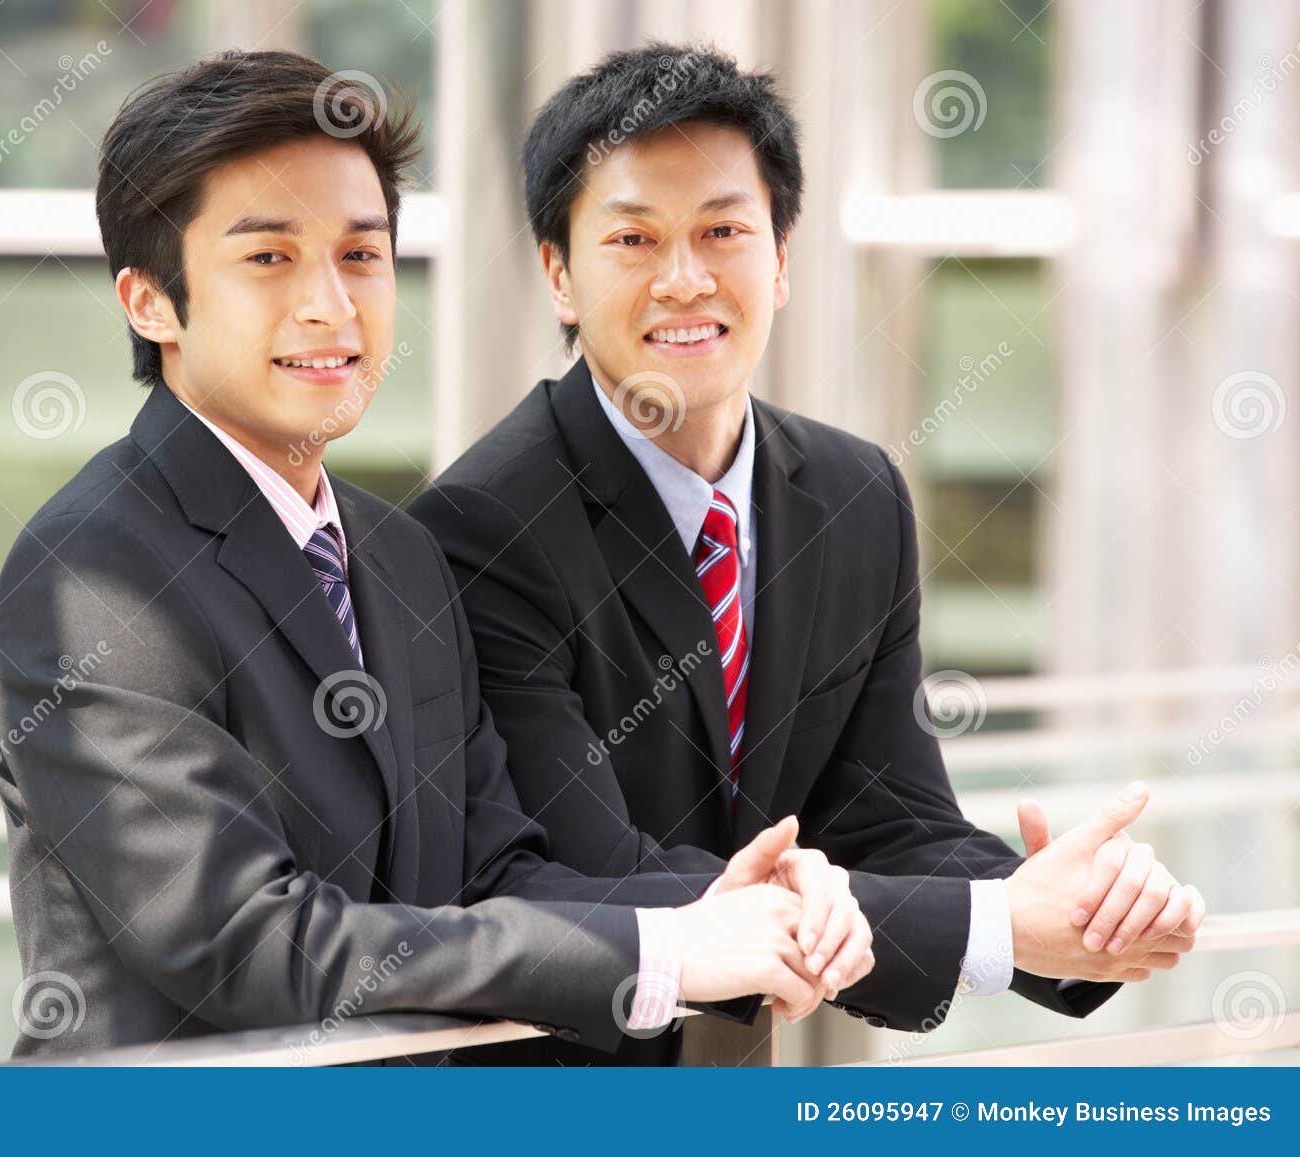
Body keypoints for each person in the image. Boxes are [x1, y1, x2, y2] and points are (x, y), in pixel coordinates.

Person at [0, 48, 875, 1062]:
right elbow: (246, 945)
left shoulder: (396, 551)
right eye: (268, 257)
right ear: (149, 299)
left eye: (361, 254)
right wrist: (666, 949)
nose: (331, 304)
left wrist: (739, 909)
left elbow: (495, 865)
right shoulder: (96, 572)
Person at [409, 44, 1203, 1065]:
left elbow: (893, 816)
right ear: (560, 274)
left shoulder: (851, 494)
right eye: (634, 239)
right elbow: (600, 872)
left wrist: (1068, 906)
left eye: (723, 231)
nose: (684, 278)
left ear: (781, 261)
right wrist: (993, 927)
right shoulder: (482, 526)